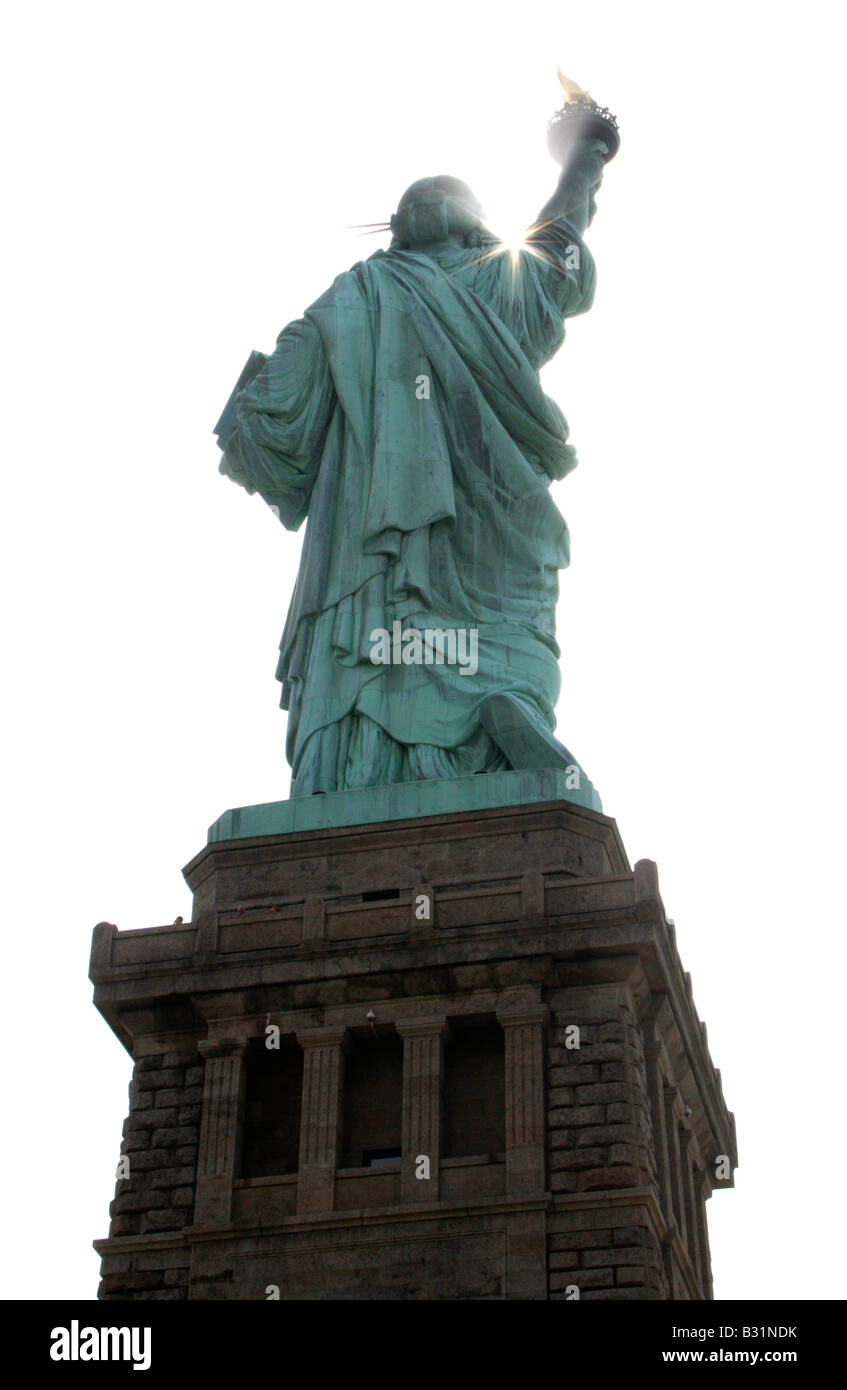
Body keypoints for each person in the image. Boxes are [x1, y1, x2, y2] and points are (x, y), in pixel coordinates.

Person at [217, 142, 608, 798]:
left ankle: (354, 769)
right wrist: (585, 161)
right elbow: (557, 244)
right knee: (497, 641)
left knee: (374, 640)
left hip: (365, 544)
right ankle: (486, 717)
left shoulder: (350, 299)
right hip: (490, 519)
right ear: (469, 223)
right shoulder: (493, 283)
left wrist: (244, 408)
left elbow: (271, 417)